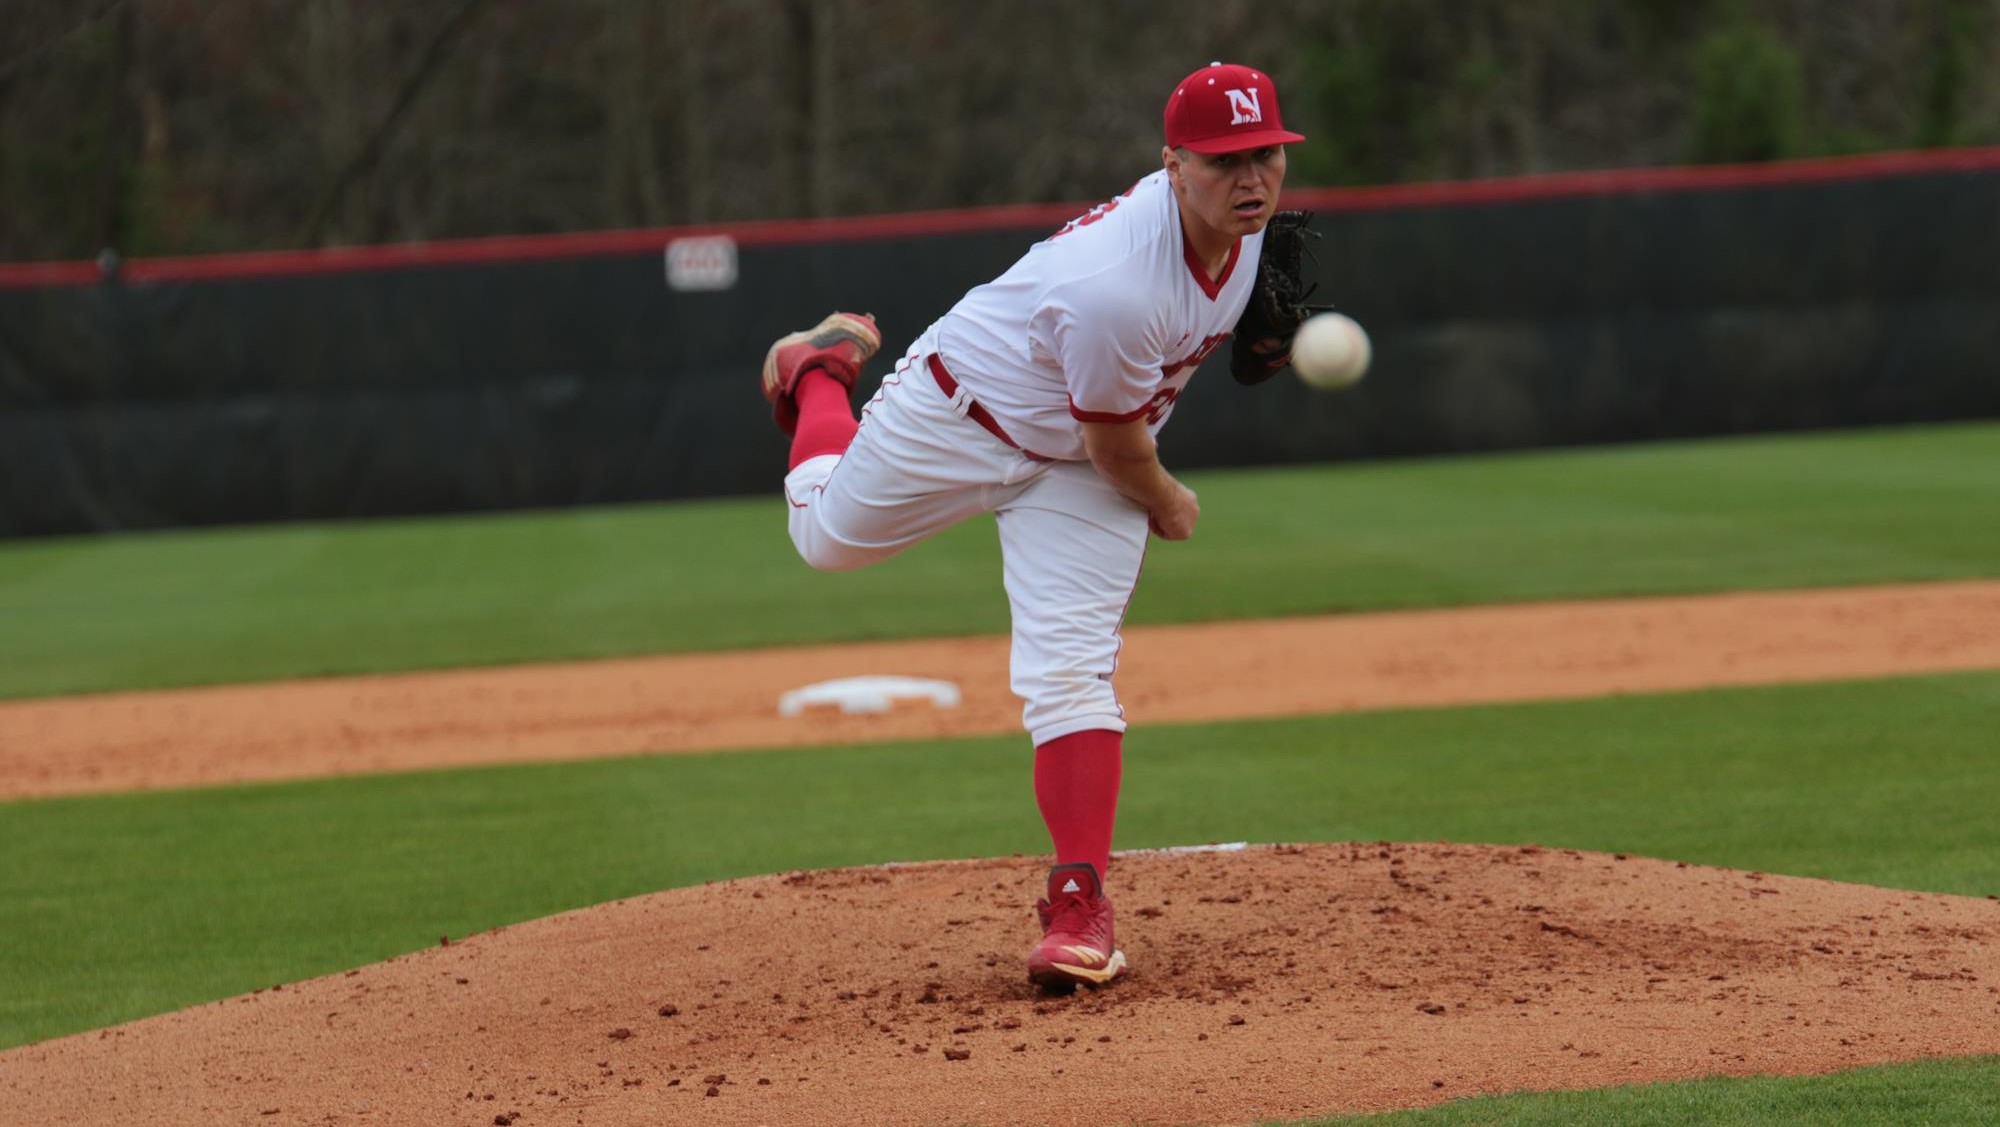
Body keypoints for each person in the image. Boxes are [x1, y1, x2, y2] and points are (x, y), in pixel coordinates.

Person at [758, 62, 1307, 991]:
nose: (1251, 180)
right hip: (961, 415)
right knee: (822, 537)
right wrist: (1171, 503)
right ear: (1172, 166)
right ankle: (817, 373)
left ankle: (1079, 904)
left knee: (1071, 667)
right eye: (1223, 162)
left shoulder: (1248, 236)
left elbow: (1114, 424)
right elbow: (1120, 447)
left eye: (1266, 156)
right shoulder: (1114, 287)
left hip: (1075, 464)